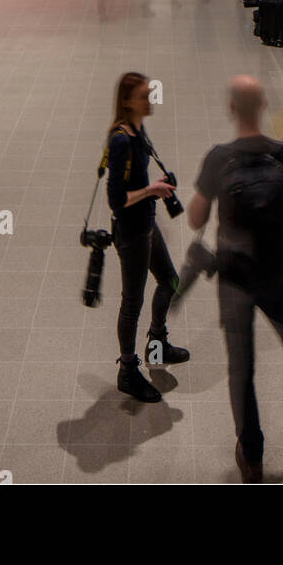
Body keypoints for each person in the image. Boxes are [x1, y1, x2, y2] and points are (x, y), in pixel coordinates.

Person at [188, 75, 283, 482]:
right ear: (264, 105)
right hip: (281, 274)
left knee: (242, 368)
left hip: (236, 279)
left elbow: (196, 218)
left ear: (232, 109)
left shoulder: (218, 158)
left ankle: (252, 456)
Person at [105, 71, 190, 403]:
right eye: (143, 95)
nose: (149, 99)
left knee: (170, 280)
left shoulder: (138, 131)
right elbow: (116, 199)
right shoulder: (121, 140)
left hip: (146, 223)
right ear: (127, 101)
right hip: (131, 231)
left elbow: (134, 182)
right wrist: (152, 190)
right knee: (132, 302)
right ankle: (127, 370)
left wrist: (157, 184)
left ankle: (157, 344)